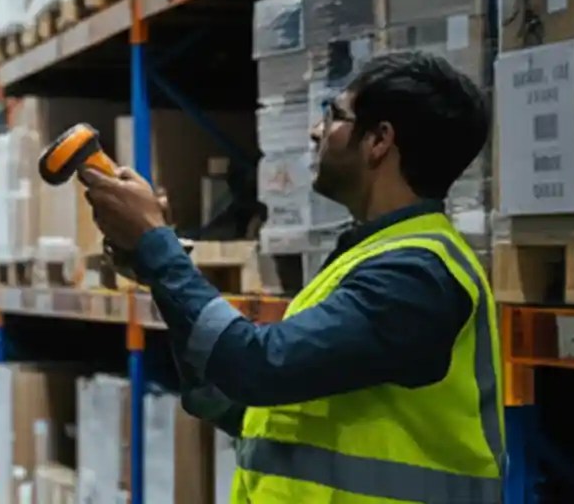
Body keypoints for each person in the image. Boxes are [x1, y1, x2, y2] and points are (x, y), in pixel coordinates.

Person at [81, 52, 503, 503]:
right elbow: (233, 398)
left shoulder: (417, 275)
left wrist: (158, 248)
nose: (316, 130)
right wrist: (155, 263)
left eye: (335, 115)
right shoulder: (369, 259)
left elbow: (257, 368)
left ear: (379, 141)